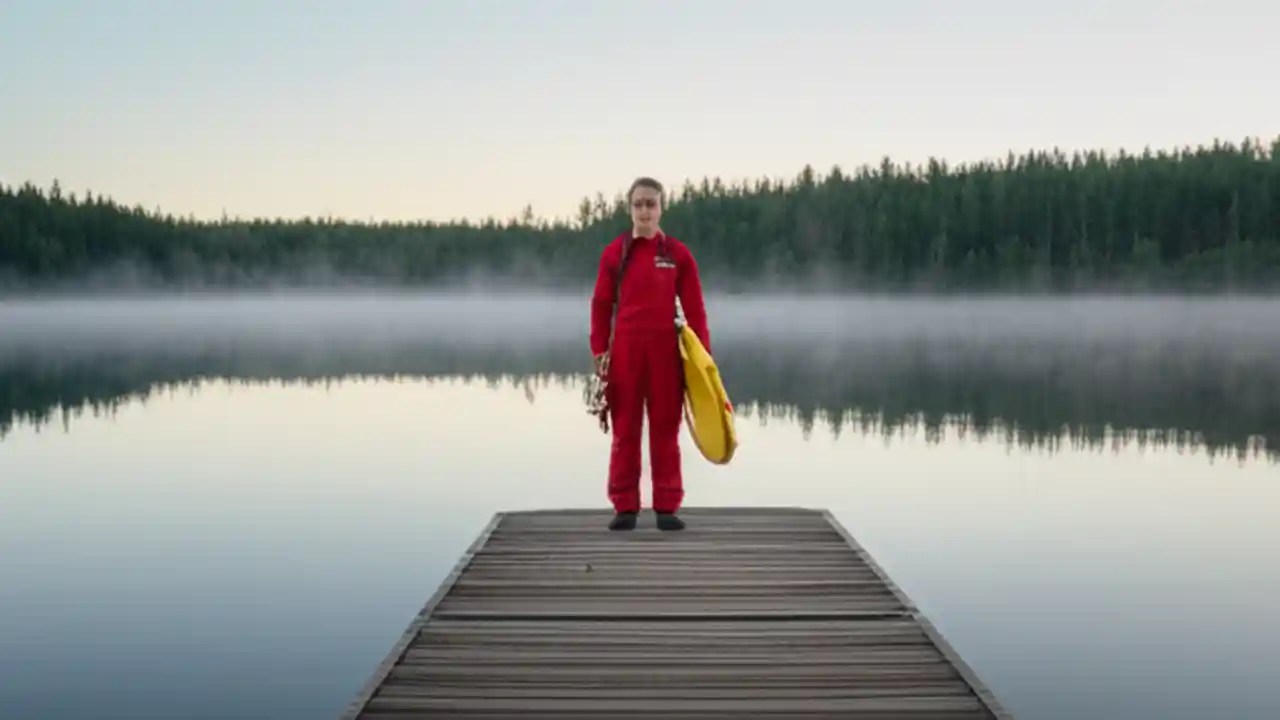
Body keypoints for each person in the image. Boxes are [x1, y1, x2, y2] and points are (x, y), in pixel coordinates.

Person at [589, 177, 711, 531]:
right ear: (630, 209)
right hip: (625, 352)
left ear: (661, 209)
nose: (644, 210)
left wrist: (703, 359)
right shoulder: (615, 253)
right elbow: (600, 305)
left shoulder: (677, 255)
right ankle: (625, 506)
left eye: (651, 204)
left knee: (665, 430)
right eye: (639, 204)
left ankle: (666, 506)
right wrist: (599, 350)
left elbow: (695, 309)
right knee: (625, 430)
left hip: (665, 353)